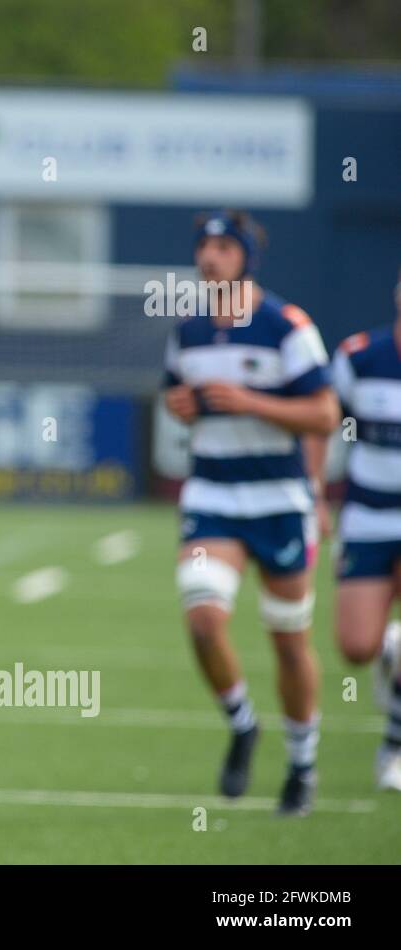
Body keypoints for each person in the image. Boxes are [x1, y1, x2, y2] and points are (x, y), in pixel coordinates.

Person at [162, 210, 339, 816]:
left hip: (278, 501)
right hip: (213, 496)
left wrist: (251, 403)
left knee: (290, 643)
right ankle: (242, 723)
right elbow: (174, 396)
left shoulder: (286, 325)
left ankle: (303, 760)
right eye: (203, 246)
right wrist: (182, 406)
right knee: (203, 616)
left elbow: (323, 414)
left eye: (223, 247)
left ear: (245, 258)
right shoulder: (187, 330)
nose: (210, 257)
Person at [329, 269, 401, 791]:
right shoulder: (358, 356)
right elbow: (321, 425)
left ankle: (394, 747)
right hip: (368, 517)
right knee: (357, 646)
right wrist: (312, 495)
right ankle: (389, 651)